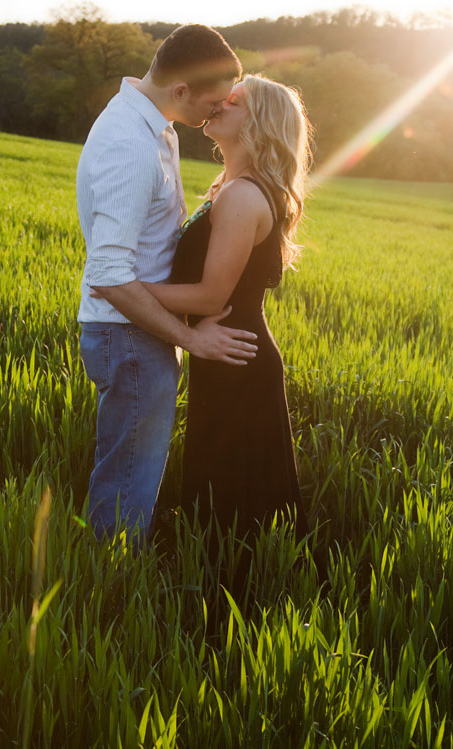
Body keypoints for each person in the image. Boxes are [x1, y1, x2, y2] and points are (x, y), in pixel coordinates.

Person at [91, 74, 326, 598]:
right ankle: (221, 582)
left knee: (235, 480)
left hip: (234, 352)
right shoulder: (229, 185)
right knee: (224, 474)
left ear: (258, 123)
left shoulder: (243, 196)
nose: (218, 104)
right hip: (224, 348)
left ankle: (237, 597)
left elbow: (207, 296)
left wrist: (124, 287)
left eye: (233, 101)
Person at [76, 25, 258, 549]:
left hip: (137, 331)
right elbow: (108, 274)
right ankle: (107, 589)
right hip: (130, 336)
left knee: (130, 469)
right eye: (211, 101)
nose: (215, 112)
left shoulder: (157, 127)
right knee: (128, 479)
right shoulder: (129, 143)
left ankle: (106, 577)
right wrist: (192, 339)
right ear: (180, 91)